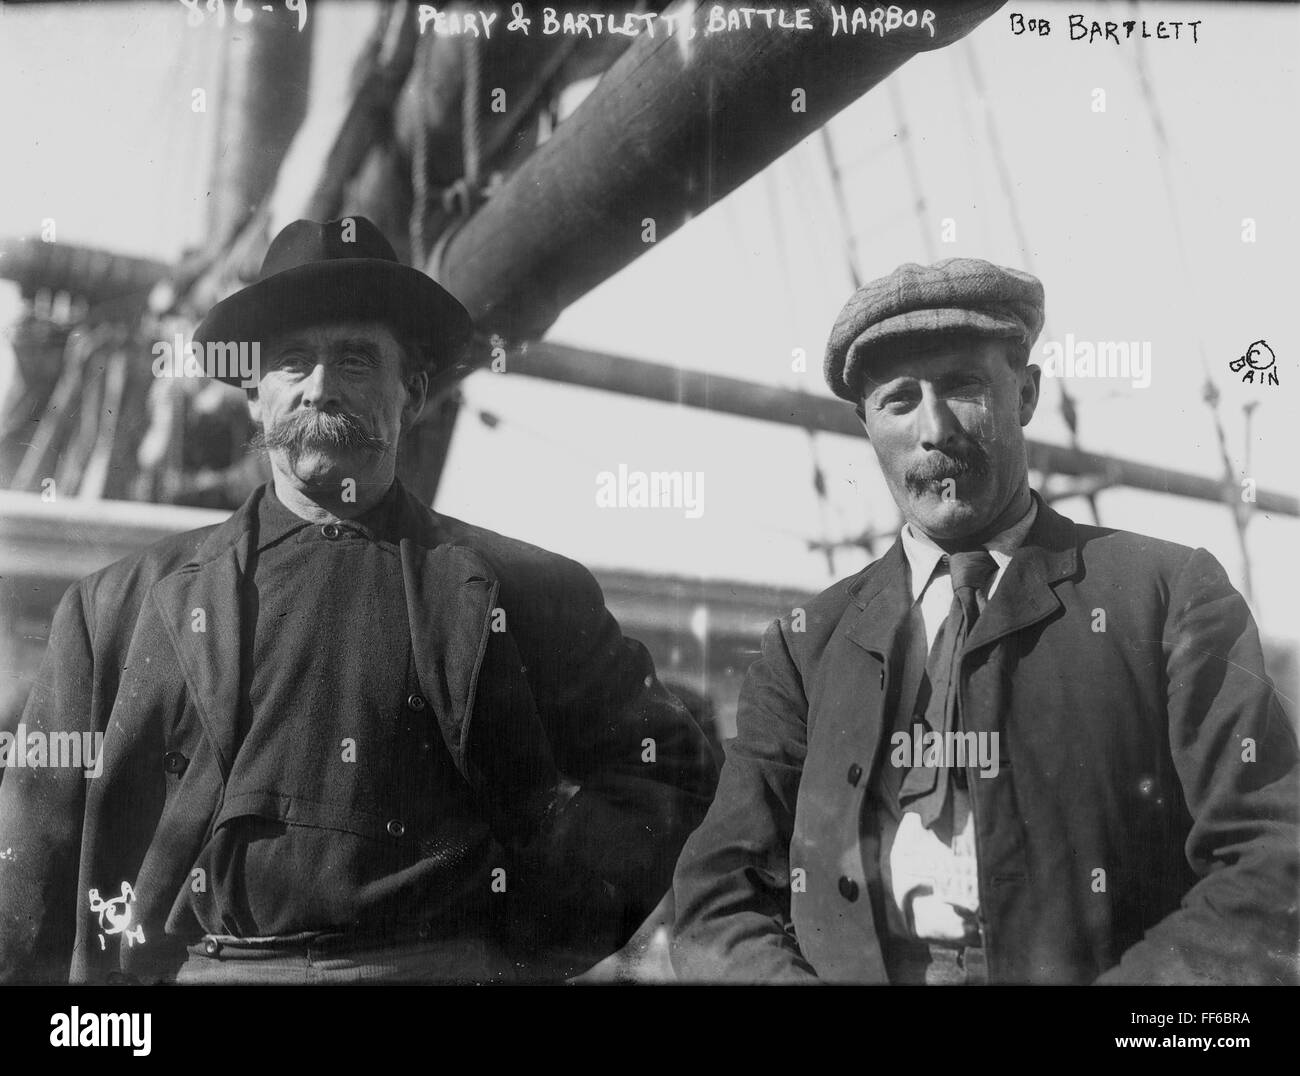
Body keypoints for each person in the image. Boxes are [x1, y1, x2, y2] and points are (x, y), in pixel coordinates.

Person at [0, 217, 717, 984]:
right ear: (253, 392)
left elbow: (671, 778)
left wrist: (530, 930)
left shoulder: (531, 594)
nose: (320, 386)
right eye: (294, 361)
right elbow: (30, 883)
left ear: (410, 391)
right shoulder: (114, 611)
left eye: (354, 358)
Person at [670, 257, 1299, 984]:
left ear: (1026, 394)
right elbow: (717, 898)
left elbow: (1272, 858)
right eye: (899, 401)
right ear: (865, 426)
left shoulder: (1165, 597)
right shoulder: (807, 646)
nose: (933, 429)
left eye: (964, 386)